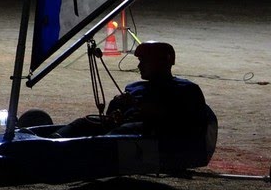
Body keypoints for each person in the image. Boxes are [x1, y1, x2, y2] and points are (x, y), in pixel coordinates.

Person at [54, 41, 208, 140]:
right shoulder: (134, 87)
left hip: (154, 136)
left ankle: (93, 153)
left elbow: (187, 123)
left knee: (126, 130)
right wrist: (116, 109)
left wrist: (143, 108)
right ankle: (52, 140)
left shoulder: (186, 90)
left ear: (162, 62)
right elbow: (111, 115)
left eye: (145, 62)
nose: (140, 66)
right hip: (123, 129)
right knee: (82, 123)